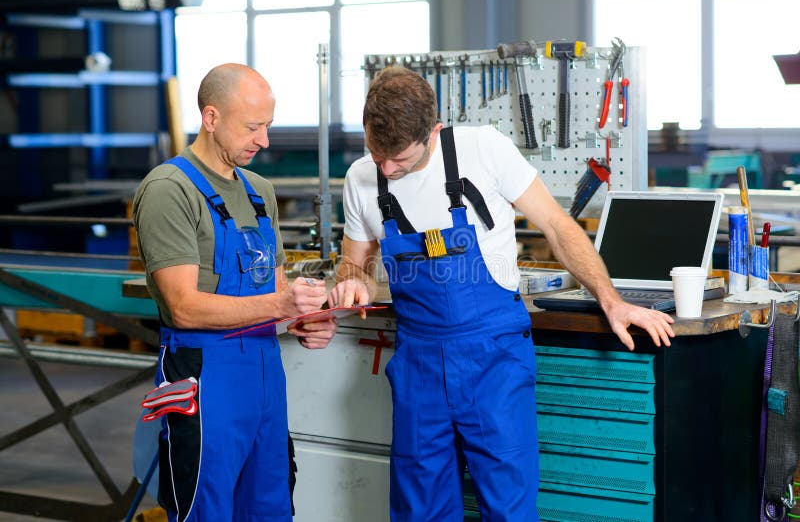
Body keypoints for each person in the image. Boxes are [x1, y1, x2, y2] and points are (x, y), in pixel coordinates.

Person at [328, 66, 674, 521]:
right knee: (419, 510)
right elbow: (354, 263)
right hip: (418, 364)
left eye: (401, 159)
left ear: (434, 131)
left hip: (493, 359)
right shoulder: (361, 178)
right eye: (378, 155)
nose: (388, 169)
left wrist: (610, 300)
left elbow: (557, 226)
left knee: (508, 509)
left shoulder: (482, 149)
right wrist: (351, 280)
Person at [132, 63, 336, 522]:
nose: (264, 140)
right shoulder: (170, 190)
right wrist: (280, 304)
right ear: (211, 117)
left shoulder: (260, 191)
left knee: (270, 507)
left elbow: (275, 292)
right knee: (207, 509)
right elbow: (183, 308)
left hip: (265, 380)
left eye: (268, 126)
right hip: (206, 380)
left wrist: (306, 319)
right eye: (252, 127)